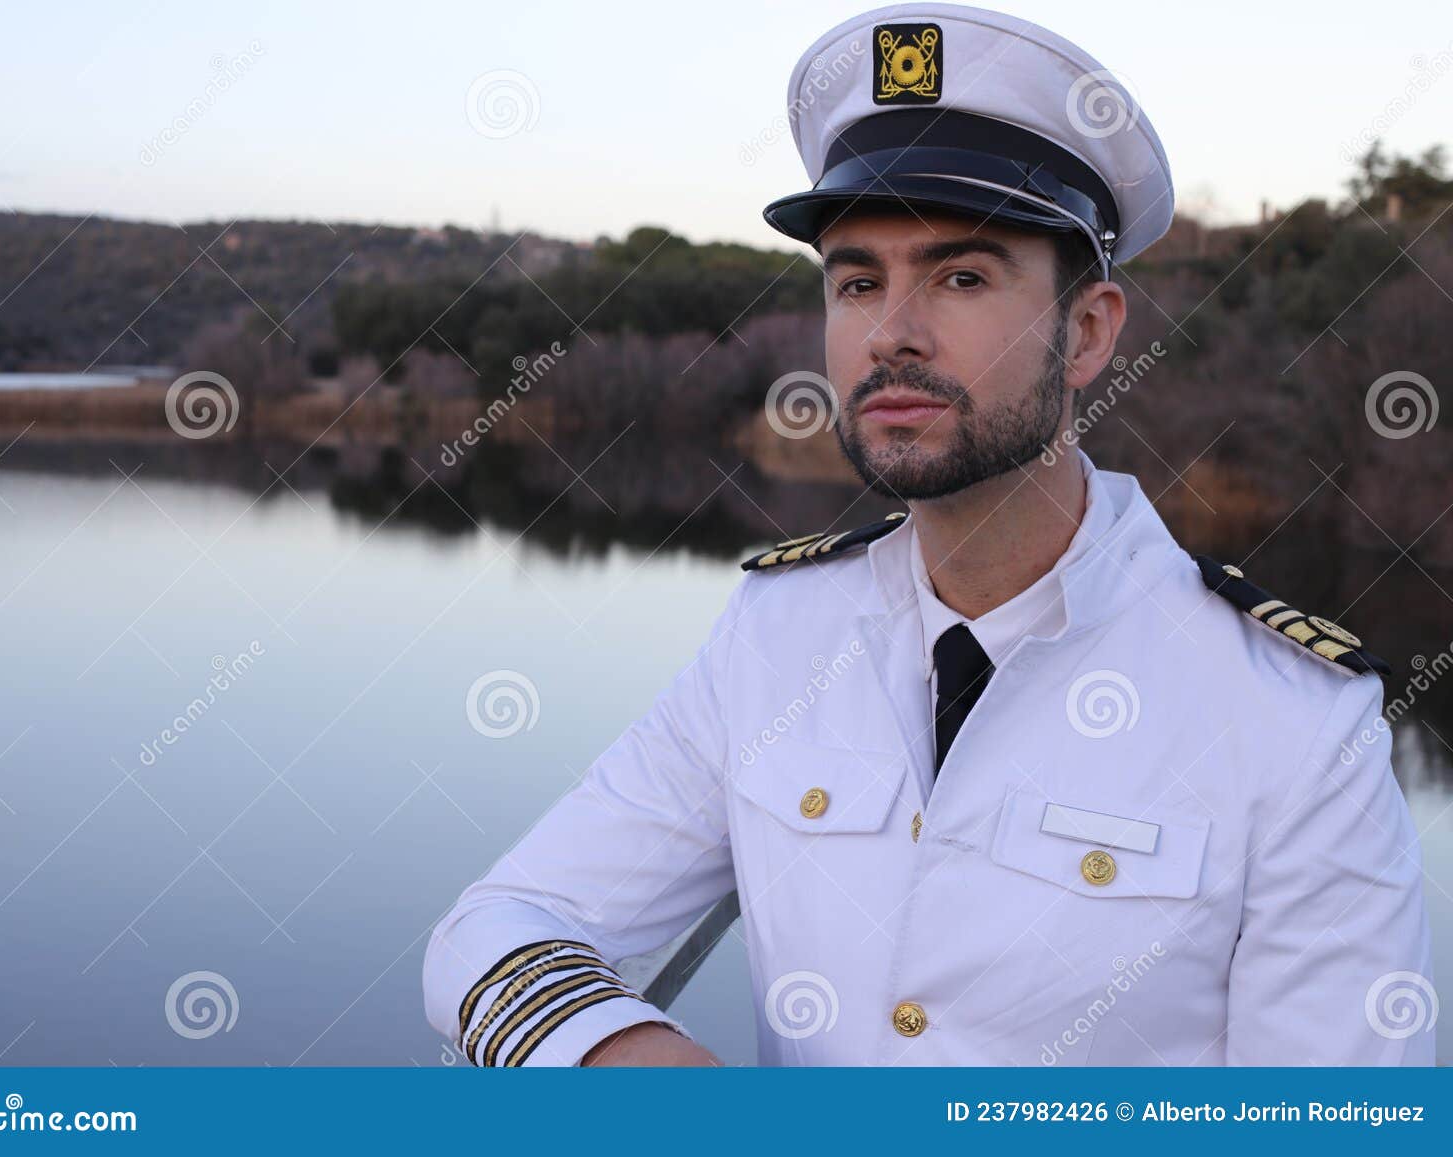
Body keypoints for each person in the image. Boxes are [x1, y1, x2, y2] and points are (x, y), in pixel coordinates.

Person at [422, 2, 1435, 1067]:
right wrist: (643, 1067)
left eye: (960, 276)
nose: (891, 331)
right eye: (857, 280)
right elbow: (497, 929)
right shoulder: (775, 639)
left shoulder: (1292, 721)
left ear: (1085, 333)